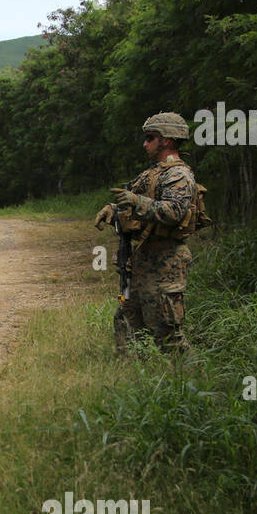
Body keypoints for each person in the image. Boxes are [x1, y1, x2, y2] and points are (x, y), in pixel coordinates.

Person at [94, 112, 198, 355]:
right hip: (140, 260)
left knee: (166, 329)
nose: (145, 143)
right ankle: (129, 376)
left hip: (165, 261)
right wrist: (113, 210)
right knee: (125, 318)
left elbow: (174, 211)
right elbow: (132, 201)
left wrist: (136, 202)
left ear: (168, 141)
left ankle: (191, 381)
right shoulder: (153, 173)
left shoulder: (178, 175)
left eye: (150, 138)